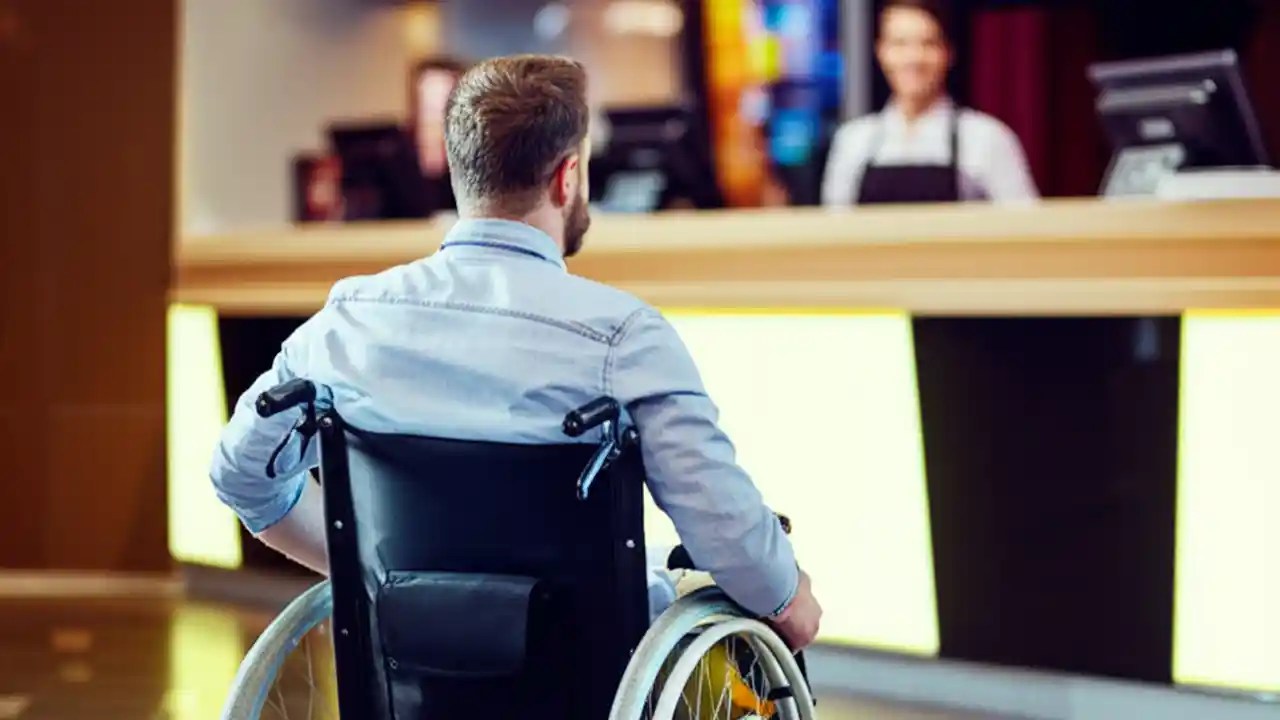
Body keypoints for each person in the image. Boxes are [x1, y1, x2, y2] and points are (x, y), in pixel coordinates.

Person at [209, 55, 822, 650]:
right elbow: (728, 533)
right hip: (587, 673)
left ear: (458, 170)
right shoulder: (626, 339)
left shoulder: (346, 322)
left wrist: (367, 570)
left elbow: (241, 473)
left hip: (411, 659)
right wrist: (788, 598)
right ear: (568, 176)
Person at [821, 0, 1039, 206]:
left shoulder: (987, 137)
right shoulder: (853, 140)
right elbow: (834, 230)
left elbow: (1027, 229)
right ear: (881, 52)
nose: (914, 58)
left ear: (948, 53)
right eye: (900, 44)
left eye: (928, 44)